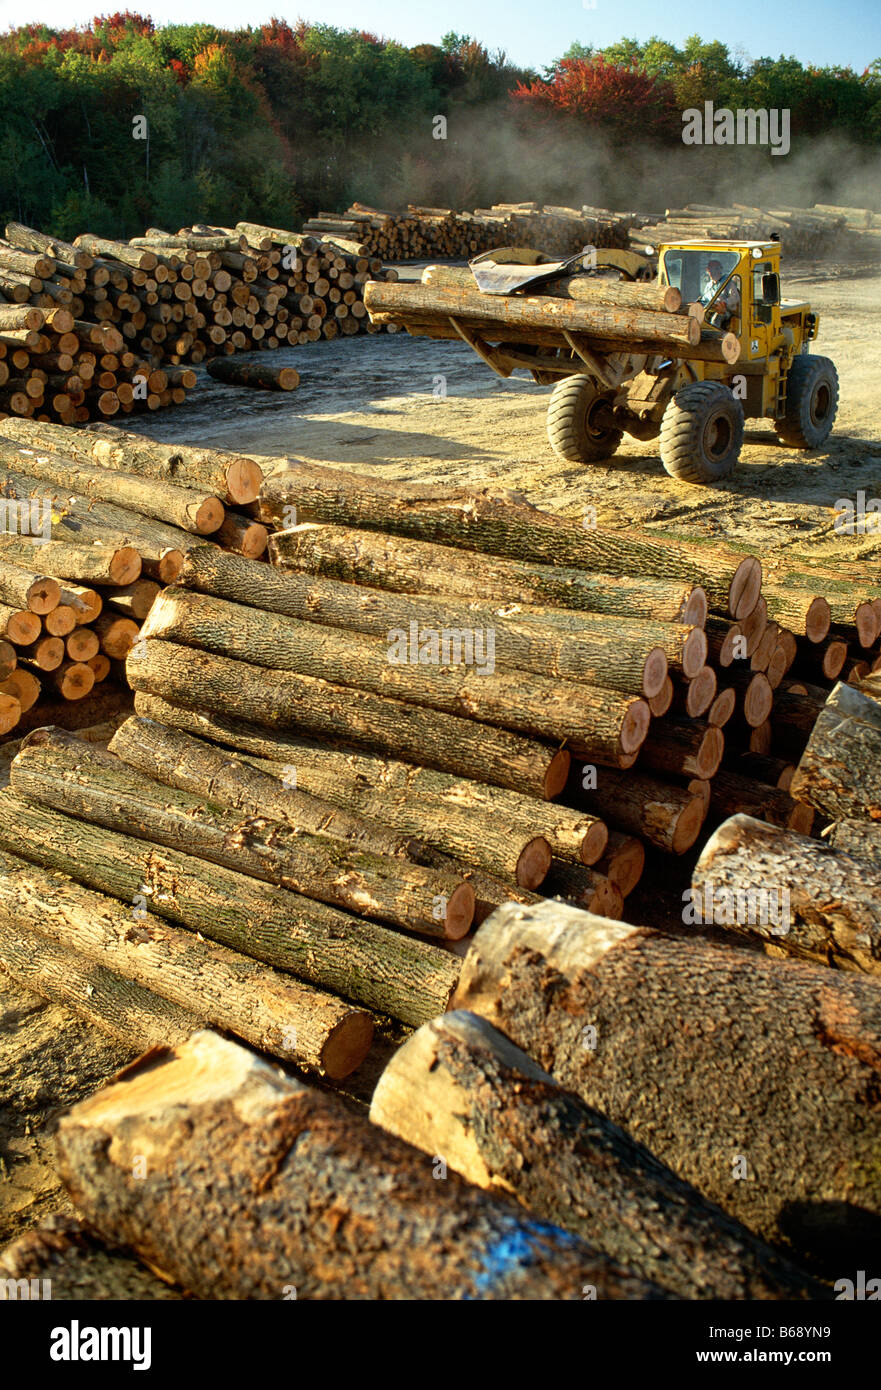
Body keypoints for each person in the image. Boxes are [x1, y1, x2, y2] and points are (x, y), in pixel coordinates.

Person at [700, 259, 741, 326]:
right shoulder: (709, 285)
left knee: (715, 320)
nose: (712, 272)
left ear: (720, 270)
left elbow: (735, 298)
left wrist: (724, 303)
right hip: (710, 310)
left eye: (715, 269)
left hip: (725, 311)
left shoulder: (727, 283)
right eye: (710, 270)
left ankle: (715, 335)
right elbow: (704, 300)